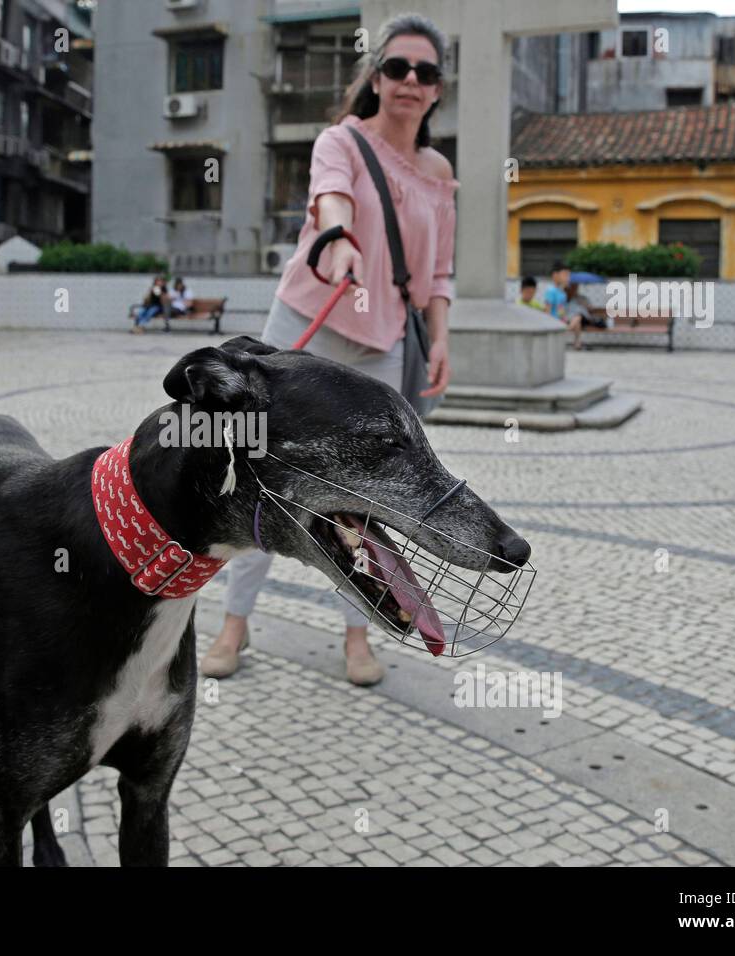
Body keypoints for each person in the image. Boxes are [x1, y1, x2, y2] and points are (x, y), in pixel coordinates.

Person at [200, 12, 456, 688]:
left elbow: (437, 274)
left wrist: (440, 341)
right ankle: (234, 622)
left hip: (383, 342)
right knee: (260, 475)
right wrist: (337, 240)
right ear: (374, 76)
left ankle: (357, 633)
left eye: (424, 73)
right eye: (397, 67)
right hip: (307, 319)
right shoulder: (339, 140)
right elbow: (331, 200)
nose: (409, 81)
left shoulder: (437, 170)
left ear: (436, 90)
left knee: (362, 495)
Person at [543, 262, 583, 349]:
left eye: (568, 275)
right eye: (565, 275)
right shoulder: (551, 291)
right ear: (555, 275)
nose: (567, 278)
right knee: (577, 318)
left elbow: (561, 309)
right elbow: (547, 310)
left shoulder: (562, 293)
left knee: (577, 318)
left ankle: (577, 343)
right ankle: (565, 331)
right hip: (553, 322)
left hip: (561, 320)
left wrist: (565, 319)